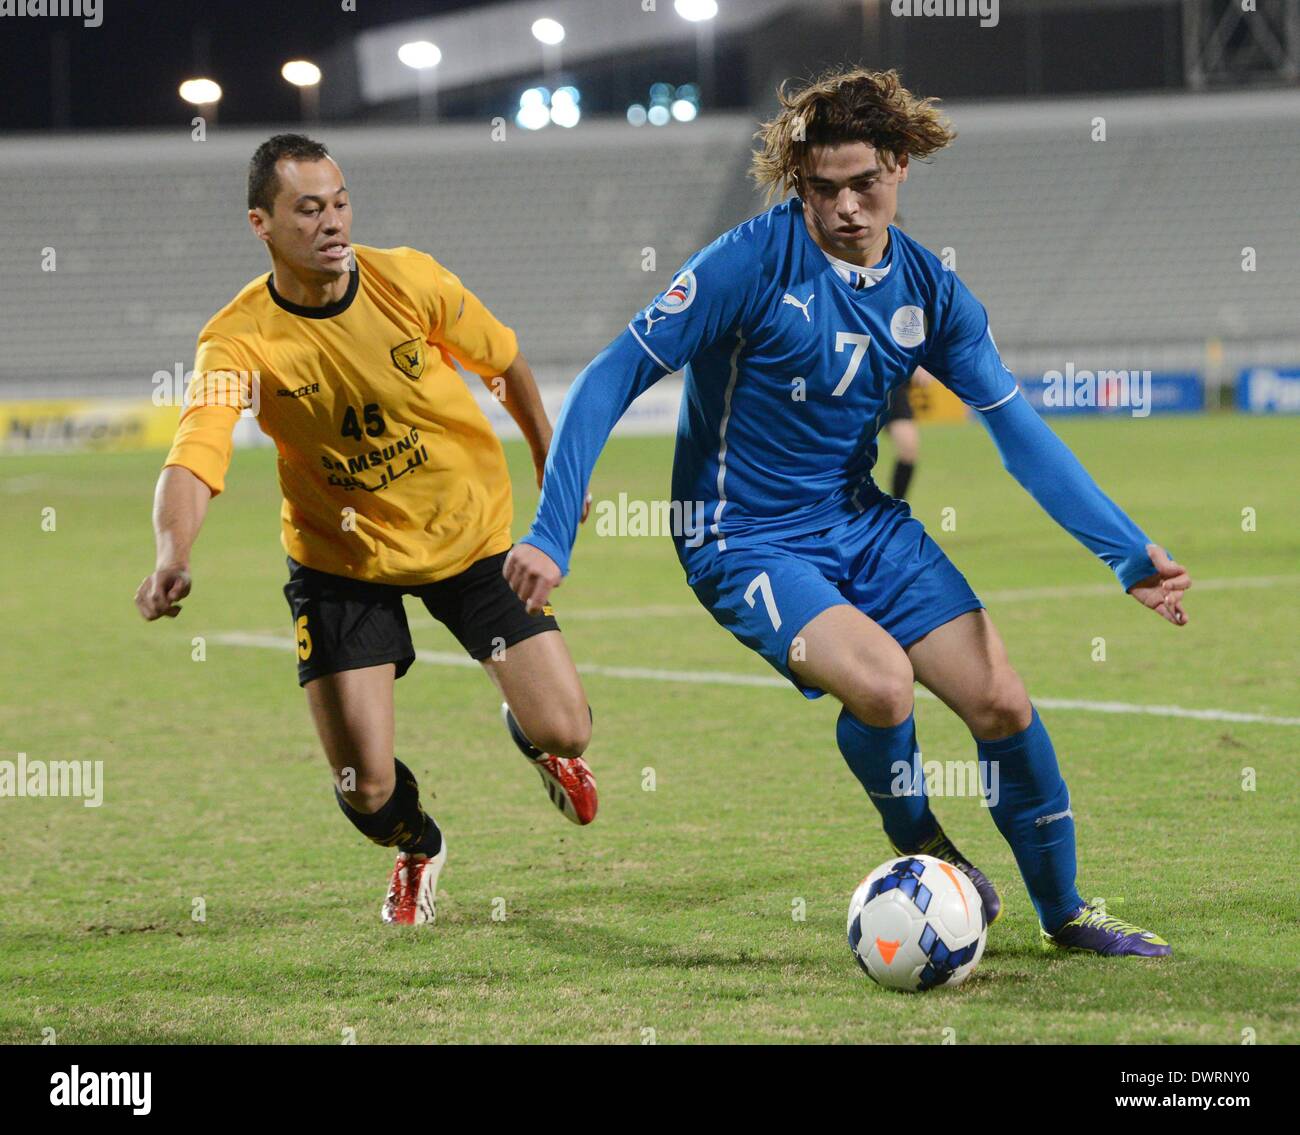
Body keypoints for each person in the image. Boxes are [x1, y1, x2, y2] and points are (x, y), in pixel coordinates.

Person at [504, 70, 1190, 963]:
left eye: (864, 183)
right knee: (880, 681)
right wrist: (553, 530)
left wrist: (1126, 554)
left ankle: (1065, 912)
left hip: (858, 519)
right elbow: (608, 377)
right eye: (822, 189)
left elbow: (1019, 434)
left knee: (1002, 700)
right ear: (801, 186)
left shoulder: (931, 294)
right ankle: (930, 854)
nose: (845, 208)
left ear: (899, 166)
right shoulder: (748, 263)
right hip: (739, 535)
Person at [135, 134, 597, 927]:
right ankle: (417, 845)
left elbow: (507, 361)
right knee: (367, 788)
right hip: (341, 561)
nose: (332, 222)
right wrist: (174, 553)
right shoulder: (238, 337)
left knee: (569, 728)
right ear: (262, 223)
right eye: (308, 209)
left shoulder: (410, 280)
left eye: (340, 203)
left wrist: (551, 456)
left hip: (468, 535)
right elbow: (196, 449)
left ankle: (532, 730)